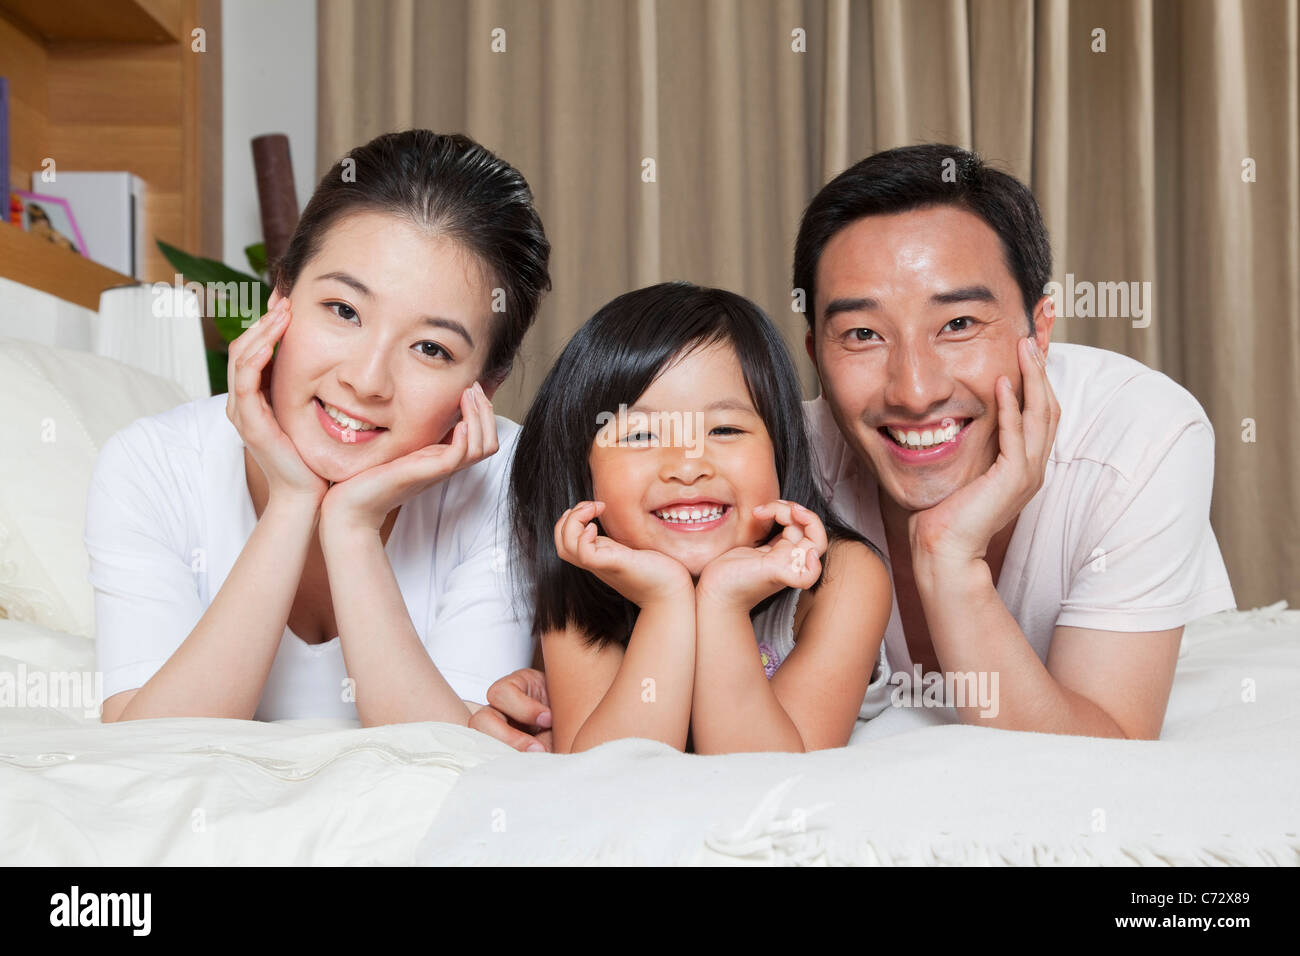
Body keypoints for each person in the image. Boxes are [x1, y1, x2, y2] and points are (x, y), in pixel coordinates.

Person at [474, 144, 1235, 747]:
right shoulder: (779, 466)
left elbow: (1103, 759)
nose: (912, 388)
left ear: (1040, 328)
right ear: (812, 350)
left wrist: (948, 556)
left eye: (959, 324)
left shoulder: (1142, 436)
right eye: (863, 334)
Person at [89, 129, 551, 725]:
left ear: (482, 389)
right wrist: (291, 502)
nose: (366, 380)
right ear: (281, 295)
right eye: (343, 311)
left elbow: (447, 762)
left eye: (431, 349)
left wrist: (352, 527)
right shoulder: (150, 464)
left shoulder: (503, 484)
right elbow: (152, 753)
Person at [507, 283, 891, 753]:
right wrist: (664, 600)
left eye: (725, 429)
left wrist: (722, 603)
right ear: (581, 470)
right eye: (641, 434)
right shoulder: (580, 579)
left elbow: (766, 778)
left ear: (781, 450)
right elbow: (611, 778)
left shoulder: (842, 579)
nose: (688, 466)